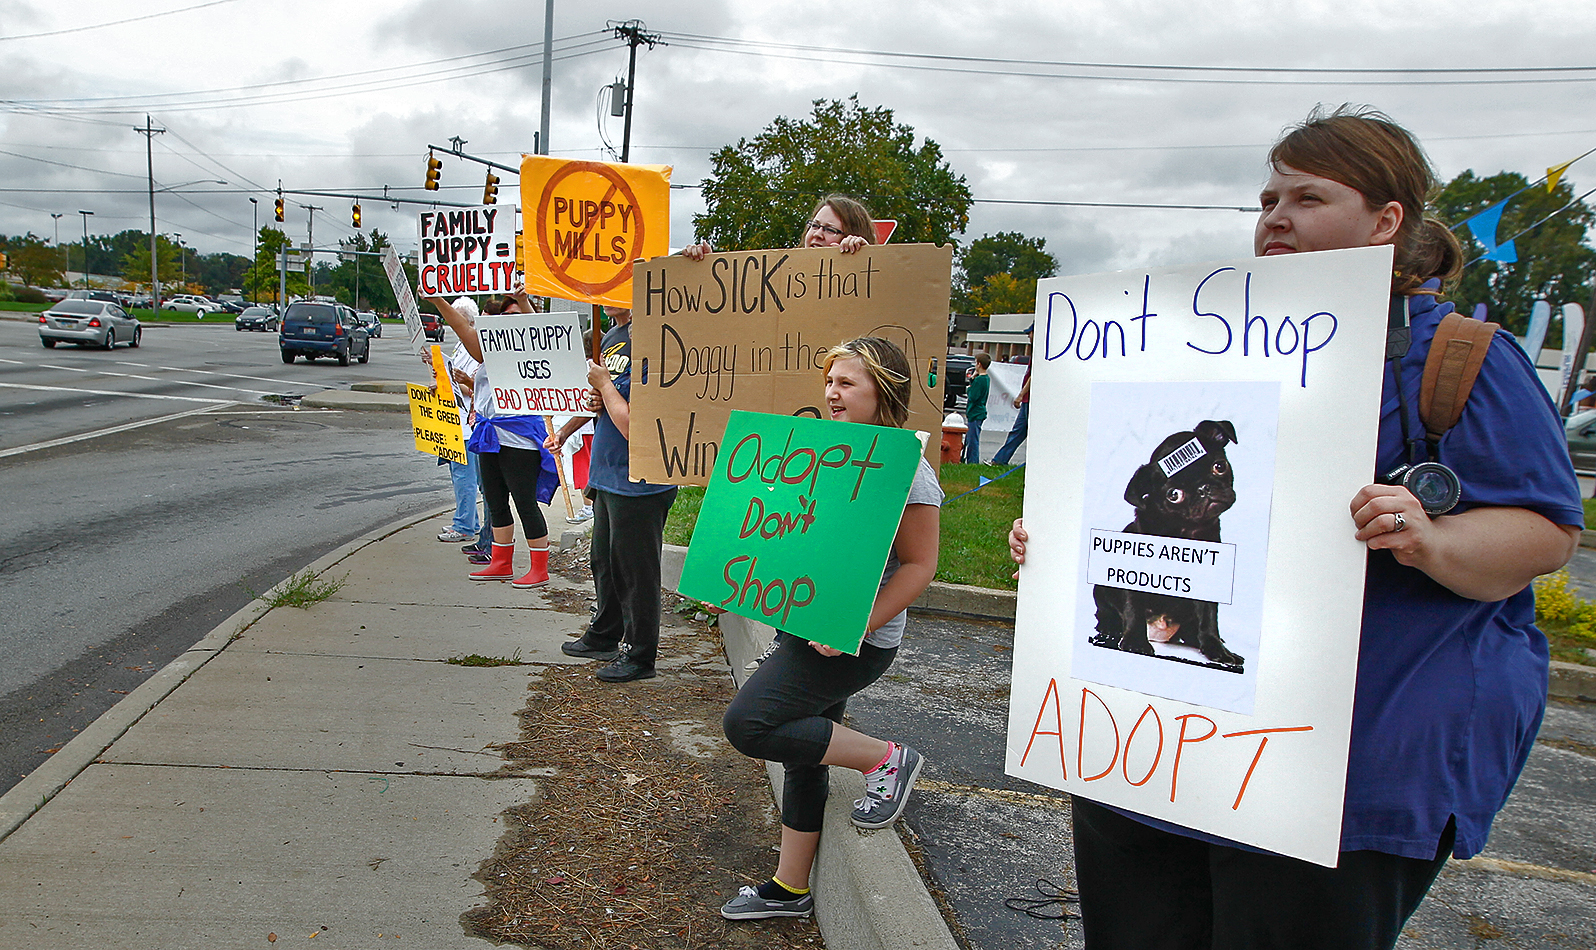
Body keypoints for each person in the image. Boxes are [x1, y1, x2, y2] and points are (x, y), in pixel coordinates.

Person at [1007, 106, 1582, 949]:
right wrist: (1062, 536)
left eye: (1309, 197)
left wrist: (1432, 540)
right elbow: (1135, 494)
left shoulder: (1459, 359)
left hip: (1345, 771)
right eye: (1269, 197)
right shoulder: (1190, 350)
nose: (1276, 215)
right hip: (1155, 746)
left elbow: (1546, 532)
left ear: (1386, 221)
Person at [719, 336, 943, 921]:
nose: (831, 393)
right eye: (830, 382)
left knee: (750, 723)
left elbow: (921, 566)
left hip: (854, 641)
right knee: (805, 749)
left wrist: (854, 624)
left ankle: (886, 759)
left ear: (883, 391)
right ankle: (791, 889)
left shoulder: (907, 469)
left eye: (846, 383)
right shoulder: (827, 451)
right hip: (807, 625)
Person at [545, 305, 679, 683]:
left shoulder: (656, 339)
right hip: (608, 475)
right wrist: (577, 421)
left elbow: (636, 425)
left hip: (639, 481)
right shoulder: (612, 337)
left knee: (636, 573)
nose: (607, 296)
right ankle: (605, 635)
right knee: (604, 561)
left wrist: (604, 385)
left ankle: (640, 656)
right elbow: (607, 402)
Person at [430, 287, 559, 589]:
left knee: (525, 503)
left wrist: (524, 303)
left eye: (517, 316)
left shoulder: (534, 347)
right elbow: (463, 328)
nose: (510, 321)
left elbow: (541, 330)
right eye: (506, 315)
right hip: (489, 434)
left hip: (520, 436)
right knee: (495, 500)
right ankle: (501, 562)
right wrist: (438, 300)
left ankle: (539, 568)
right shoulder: (490, 349)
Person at [681, 192, 874, 260]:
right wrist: (706, 267)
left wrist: (864, 259)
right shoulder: (780, 277)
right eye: (814, 226)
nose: (818, 234)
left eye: (829, 229)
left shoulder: (873, 286)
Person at [991, 327, 1033, 466]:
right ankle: (999, 460)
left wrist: (1021, 395)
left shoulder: (1041, 353)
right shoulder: (1035, 352)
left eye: (1030, 333)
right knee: (1018, 432)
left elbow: (1034, 376)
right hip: (1027, 399)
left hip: (1031, 400)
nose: (1028, 336)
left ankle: (1036, 463)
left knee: (1032, 432)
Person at [962, 351, 991, 464]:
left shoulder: (979, 381)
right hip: (979, 412)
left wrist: (969, 387)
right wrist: (973, 378)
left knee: (973, 440)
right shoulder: (985, 378)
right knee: (971, 438)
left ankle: (972, 461)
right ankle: (969, 459)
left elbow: (973, 396)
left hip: (975, 412)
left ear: (979, 364)